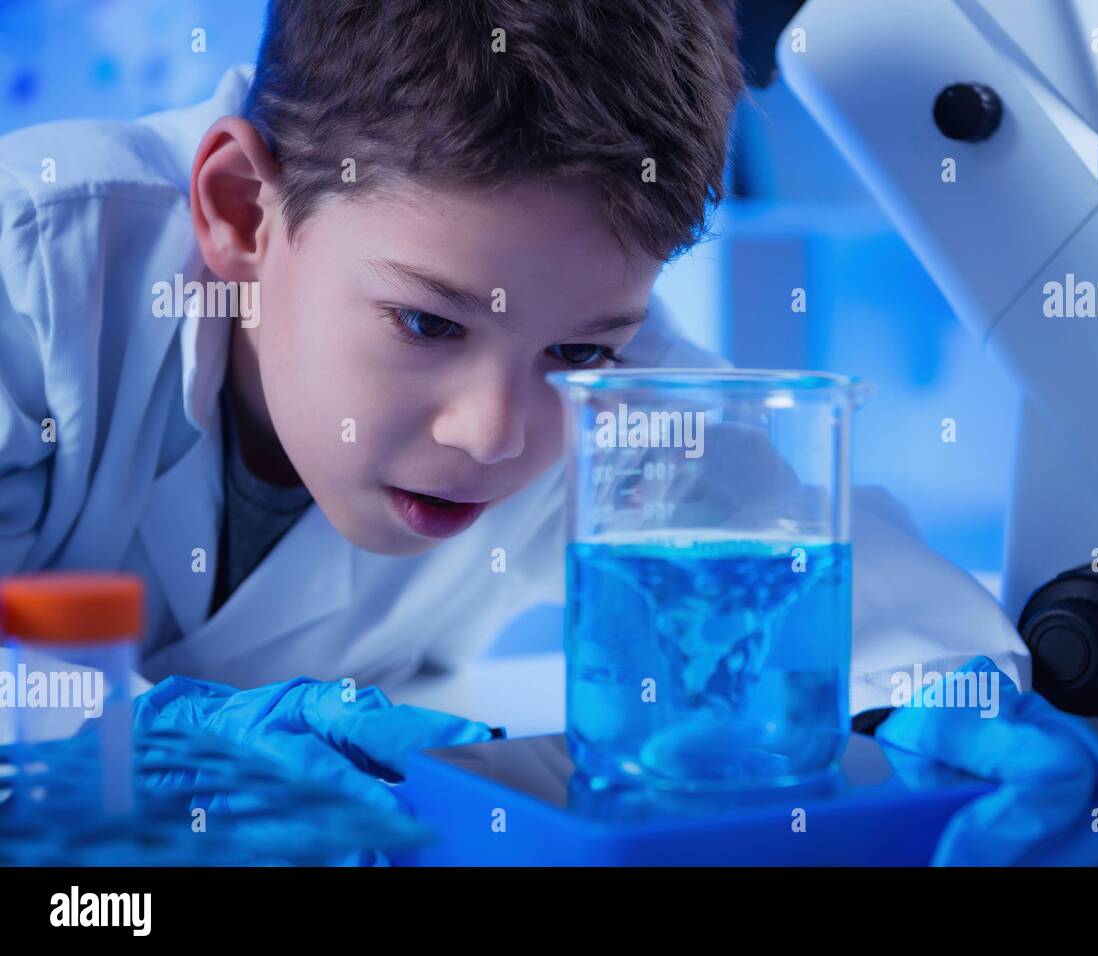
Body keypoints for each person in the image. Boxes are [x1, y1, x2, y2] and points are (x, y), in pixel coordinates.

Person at [0, 1, 1035, 813]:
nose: (496, 433)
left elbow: (876, 605)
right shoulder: (37, 266)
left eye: (578, 348)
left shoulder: (621, 390)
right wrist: (135, 738)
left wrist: (942, 713)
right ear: (241, 210)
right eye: (427, 324)